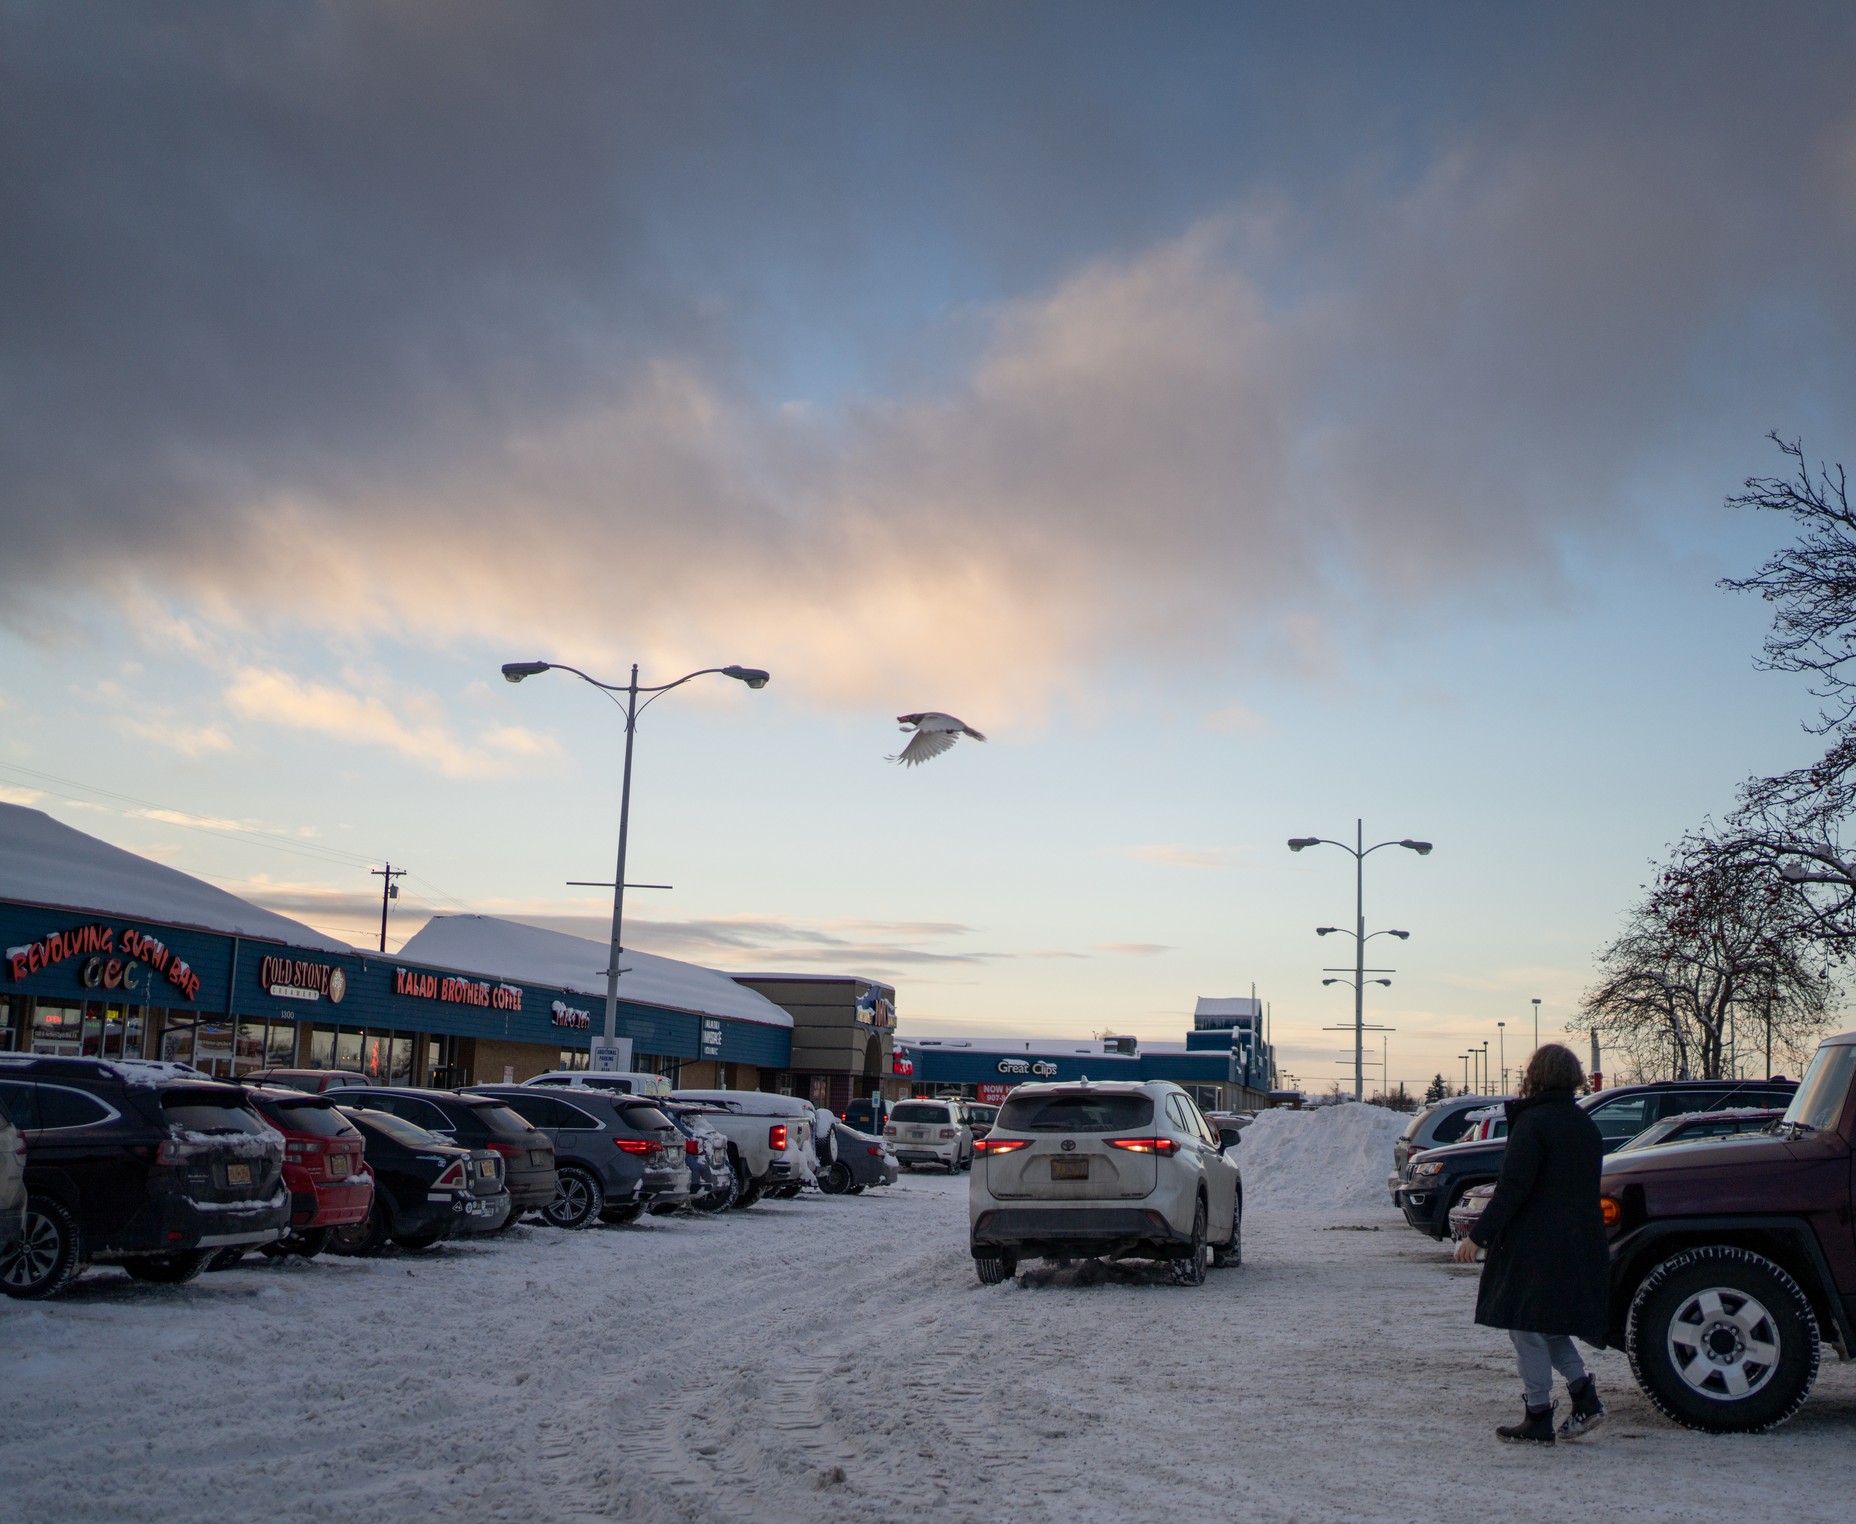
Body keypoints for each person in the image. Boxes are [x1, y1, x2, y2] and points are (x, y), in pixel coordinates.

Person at [1452, 1042, 1609, 1444]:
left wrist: (1478, 1236)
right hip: (1576, 1242)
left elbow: (1513, 1188)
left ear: (1535, 1075)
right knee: (1549, 1325)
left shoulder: (1533, 1123)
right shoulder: (1584, 1124)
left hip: (1535, 1244)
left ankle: (1538, 1414)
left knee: (1525, 1327)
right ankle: (1584, 1396)